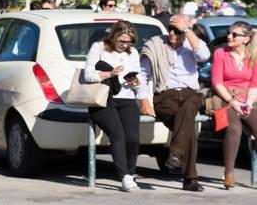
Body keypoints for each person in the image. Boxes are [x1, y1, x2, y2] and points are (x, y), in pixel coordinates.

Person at [141, 14, 210, 192]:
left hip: (190, 94)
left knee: (189, 107)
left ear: (185, 31)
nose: (171, 33)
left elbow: (204, 55)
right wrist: (144, 101)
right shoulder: (156, 45)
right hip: (165, 95)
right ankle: (189, 179)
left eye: (177, 30)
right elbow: (143, 76)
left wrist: (187, 30)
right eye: (169, 28)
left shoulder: (191, 45)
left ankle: (176, 154)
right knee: (187, 129)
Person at [83, 21, 151, 192]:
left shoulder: (133, 52)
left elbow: (138, 80)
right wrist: (110, 73)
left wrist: (135, 82)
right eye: (121, 41)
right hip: (104, 98)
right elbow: (88, 75)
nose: (125, 45)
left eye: (129, 41)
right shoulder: (99, 47)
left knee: (133, 138)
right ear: (113, 37)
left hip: (127, 97)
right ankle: (124, 176)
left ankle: (130, 172)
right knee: (117, 135)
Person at [208, 21, 257, 189]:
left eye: (235, 34)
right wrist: (232, 101)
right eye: (229, 33)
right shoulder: (221, 53)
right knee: (234, 128)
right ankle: (229, 172)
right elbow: (216, 82)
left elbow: (254, 84)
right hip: (224, 97)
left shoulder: (253, 55)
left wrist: (249, 102)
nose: (230, 36)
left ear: (246, 39)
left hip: (247, 97)